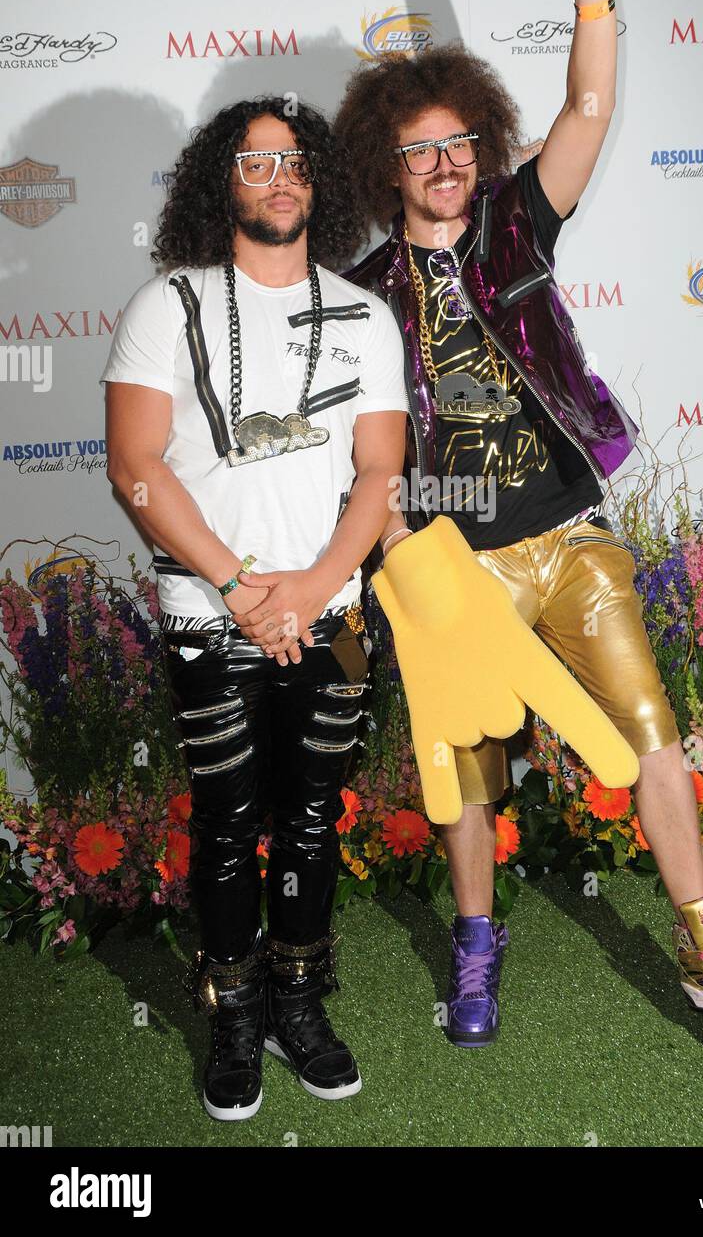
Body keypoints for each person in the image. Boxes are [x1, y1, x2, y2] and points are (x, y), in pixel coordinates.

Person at [336, 0, 703, 1046]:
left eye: (457, 141)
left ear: (478, 142)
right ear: (383, 168)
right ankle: (477, 950)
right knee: (464, 781)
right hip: (459, 560)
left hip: (569, 533)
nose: (443, 161)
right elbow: (370, 449)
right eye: (417, 148)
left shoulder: (511, 221)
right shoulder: (358, 297)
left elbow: (585, 112)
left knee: (651, 735)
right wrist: (406, 566)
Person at [100, 96, 408, 1118]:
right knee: (230, 823)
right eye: (254, 163)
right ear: (218, 181)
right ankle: (235, 1015)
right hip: (208, 612)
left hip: (337, 615)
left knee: (315, 819)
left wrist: (315, 587)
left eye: (295, 164)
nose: (279, 180)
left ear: (319, 180)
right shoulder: (166, 304)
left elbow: (378, 471)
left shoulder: (366, 314)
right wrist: (236, 586)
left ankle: (300, 1004)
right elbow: (133, 464)